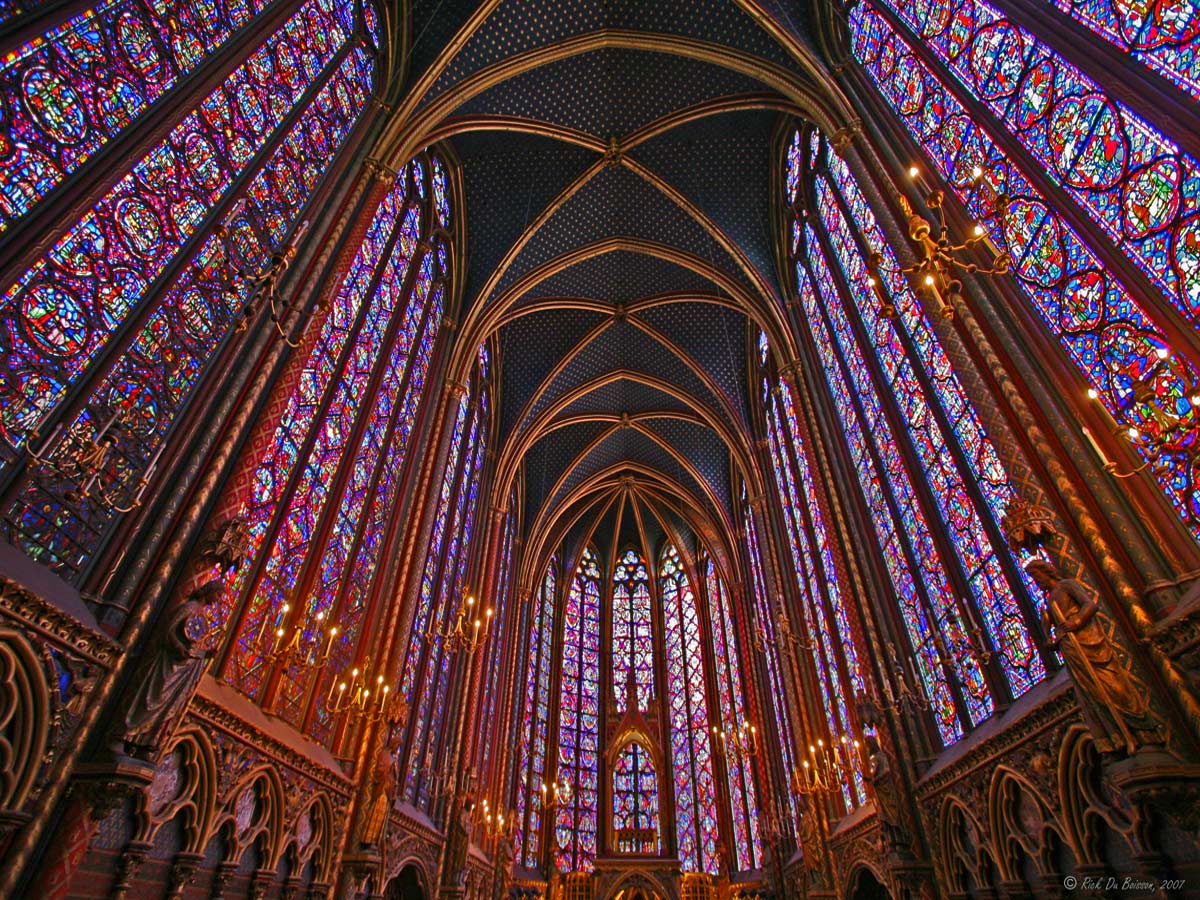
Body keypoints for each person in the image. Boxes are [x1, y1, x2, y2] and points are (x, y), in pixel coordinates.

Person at [1026, 559, 1163, 756]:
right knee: (1091, 692)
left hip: (1088, 641)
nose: (1036, 581)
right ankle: (1115, 738)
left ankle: (1142, 732)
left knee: (1111, 684)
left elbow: (1089, 605)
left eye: (1036, 575)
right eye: (1033, 578)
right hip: (1070, 648)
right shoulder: (1049, 601)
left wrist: (1076, 622)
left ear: (1046, 571)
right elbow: (1054, 627)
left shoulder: (1067, 585)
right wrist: (1052, 638)